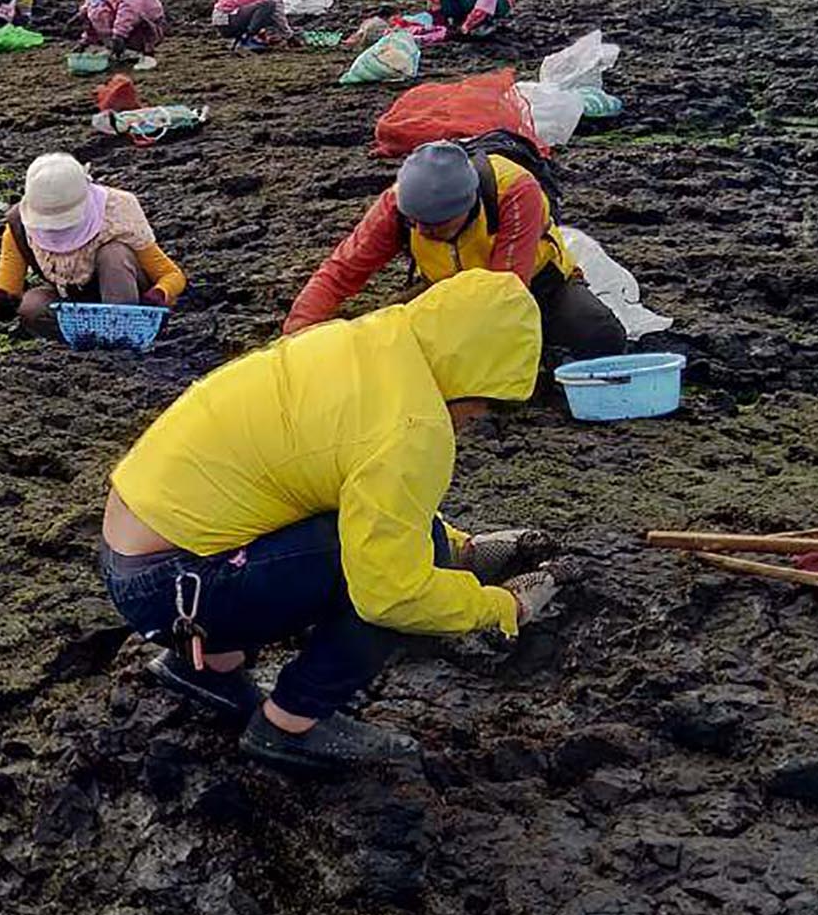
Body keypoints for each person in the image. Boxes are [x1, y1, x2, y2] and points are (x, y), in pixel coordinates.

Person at [100, 271, 557, 773]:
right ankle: (291, 722)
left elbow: (340, 478)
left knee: (409, 541)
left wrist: (459, 548)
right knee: (401, 572)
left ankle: (209, 666)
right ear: (478, 379)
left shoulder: (368, 341)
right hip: (173, 588)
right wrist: (501, 607)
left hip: (134, 556)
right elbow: (391, 593)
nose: (474, 419)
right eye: (484, 405)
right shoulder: (413, 426)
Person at [285, 138, 627, 362]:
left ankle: (539, 351)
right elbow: (342, 270)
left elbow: (504, 292)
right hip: (448, 289)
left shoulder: (513, 191)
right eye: (414, 221)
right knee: (380, 344)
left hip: (537, 285)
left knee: (599, 335)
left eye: (433, 225)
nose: (420, 231)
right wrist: (297, 336)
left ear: (467, 207)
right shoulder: (399, 206)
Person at [0, 154, 185, 338]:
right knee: (31, 306)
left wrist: (159, 294)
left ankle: (121, 332)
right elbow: (8, 284)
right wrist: (1, 301)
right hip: (72, 301)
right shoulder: (19, 224)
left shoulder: (117, 212)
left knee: (114, 254)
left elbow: (172, 275)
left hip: (128, 302)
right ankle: (86, 336)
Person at [75, 0, 165, 70]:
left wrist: (119, 35)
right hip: (121, 23)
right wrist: (85, 40)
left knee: (134, 23)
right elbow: (93, 15)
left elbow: (130, 9)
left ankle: (148, 56)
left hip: (146, 22)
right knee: (101, 18)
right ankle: (124, 52)